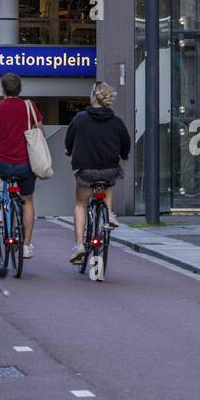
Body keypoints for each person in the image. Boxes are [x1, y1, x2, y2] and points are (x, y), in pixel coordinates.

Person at [0, 73, 42, 259]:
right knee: (27, 200)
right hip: (26, 165)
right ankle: (26, 246)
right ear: (19, 89)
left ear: (2, 89)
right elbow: (39, 133)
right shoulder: (30, 107)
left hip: (3, 163)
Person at [66, 81, 131, 264]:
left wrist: (69, 150)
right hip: (109, 169)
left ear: (93, 96)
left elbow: (69, 140)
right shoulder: (117, 122)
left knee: (80, 204)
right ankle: (109, 214)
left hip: (87, 171)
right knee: (109, 179)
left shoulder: (80, 118)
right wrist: (123, 155)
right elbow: (126, 143)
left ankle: (79, 245)